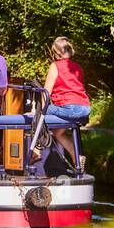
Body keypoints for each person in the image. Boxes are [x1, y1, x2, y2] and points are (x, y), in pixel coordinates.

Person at [36, 36, 90, 169]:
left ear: (56, 52)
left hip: (70, 108)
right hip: (85, 108)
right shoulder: (77, 67)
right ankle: (76, 156)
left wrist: (38, 111)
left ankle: (35, 151)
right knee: (58, 132)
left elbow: (46, 92)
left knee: (39, 112)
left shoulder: (55, 66)